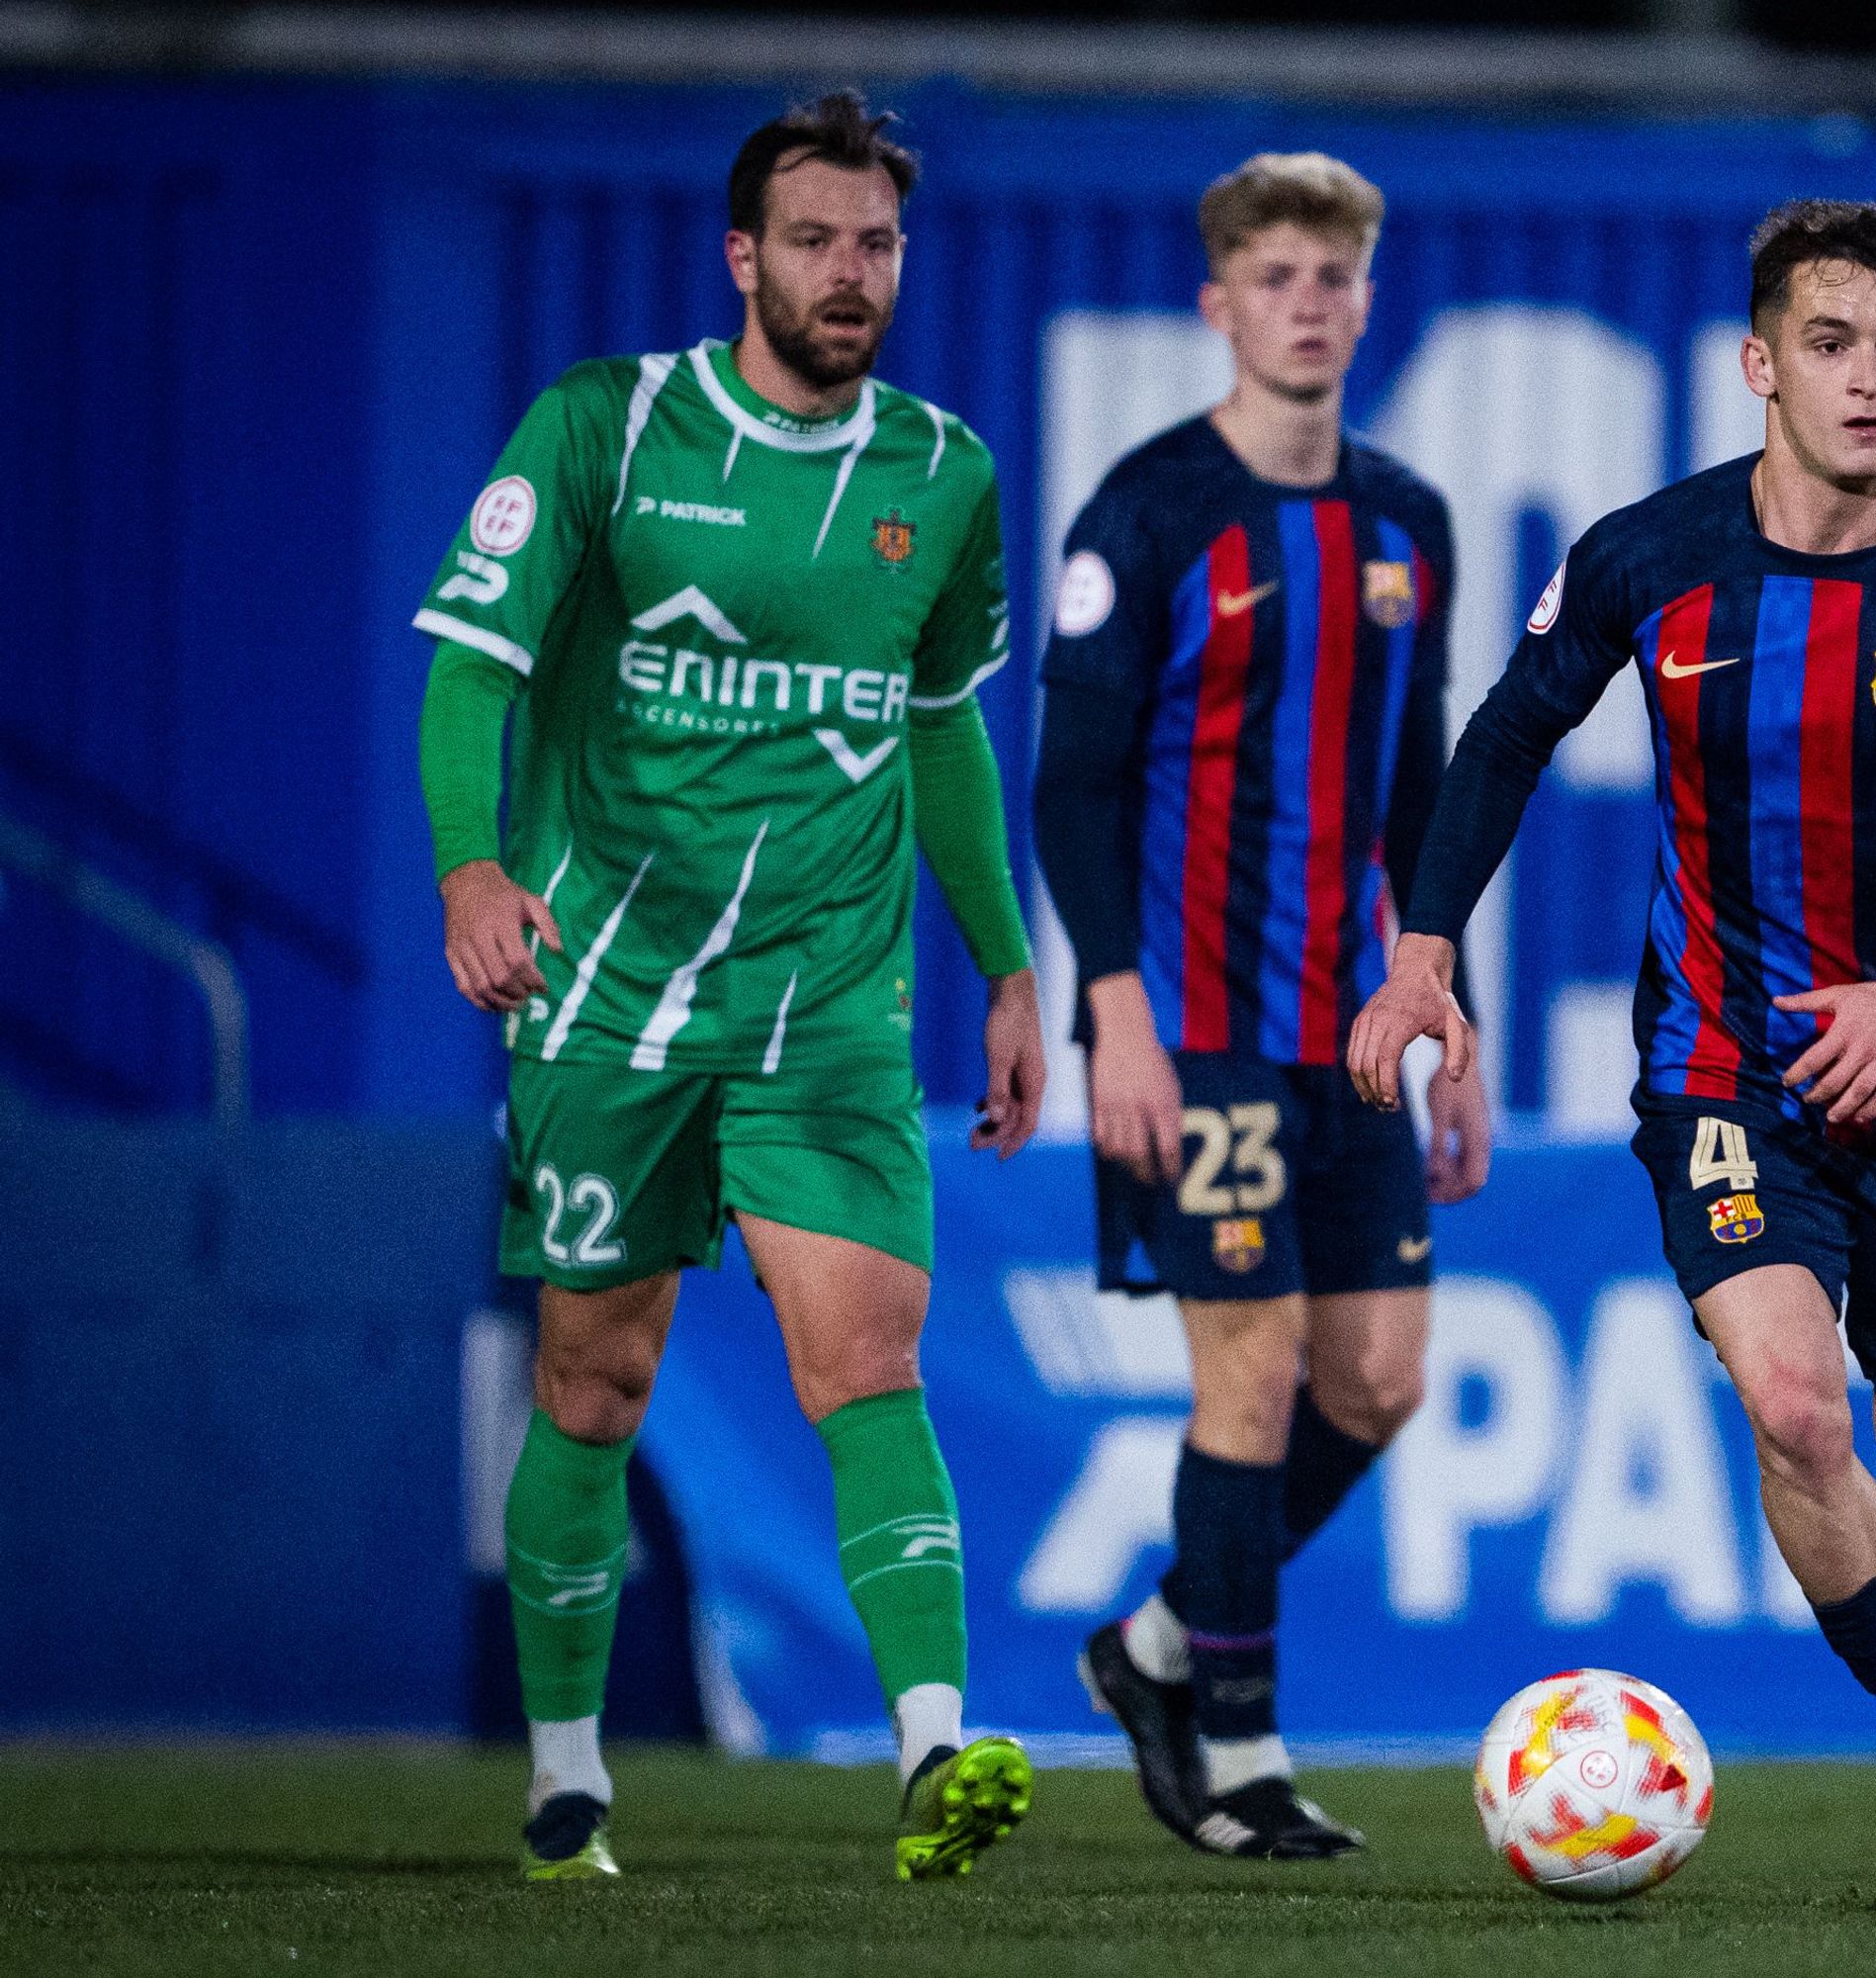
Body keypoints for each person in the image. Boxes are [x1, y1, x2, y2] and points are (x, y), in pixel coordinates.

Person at [1346, 199, 1876, 1913]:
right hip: (1724, 1068)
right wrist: (1420, 954)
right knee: (1785, 1399)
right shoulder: (1652, 557)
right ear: (1760, 365)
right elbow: (1510, 732)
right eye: (1831, 345)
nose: (1869, 380)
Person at [414, 91, 1043, 1883]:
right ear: (743, 256)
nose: (854, 275)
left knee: (869, 1357)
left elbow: (941, 730)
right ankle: (564, 1776)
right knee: (596, 1384)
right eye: (820, 241)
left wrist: (1005, 964)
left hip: (828, 1008)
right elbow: (473, 668)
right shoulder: (608, 431)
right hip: (609, 992)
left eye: (880, 244)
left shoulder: (945, 472)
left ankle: (934, 1751)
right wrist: (473, 867)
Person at [1031, 152, 1488, 1861]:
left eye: (1332, 276)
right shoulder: (1148, 513)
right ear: (1216, 304)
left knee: (1374, 1383)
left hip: (1357, 1027)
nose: (1306, 303)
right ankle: (1237, 1757)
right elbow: (1072, 787)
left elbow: (1417, 783)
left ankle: (1155, 1648)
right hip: (1199, 1021)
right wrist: (1119, 1013)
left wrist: (1452, 1010)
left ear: (1368, 300)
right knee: (1254, 1369)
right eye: (1273, 277)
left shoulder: (1408, 523)